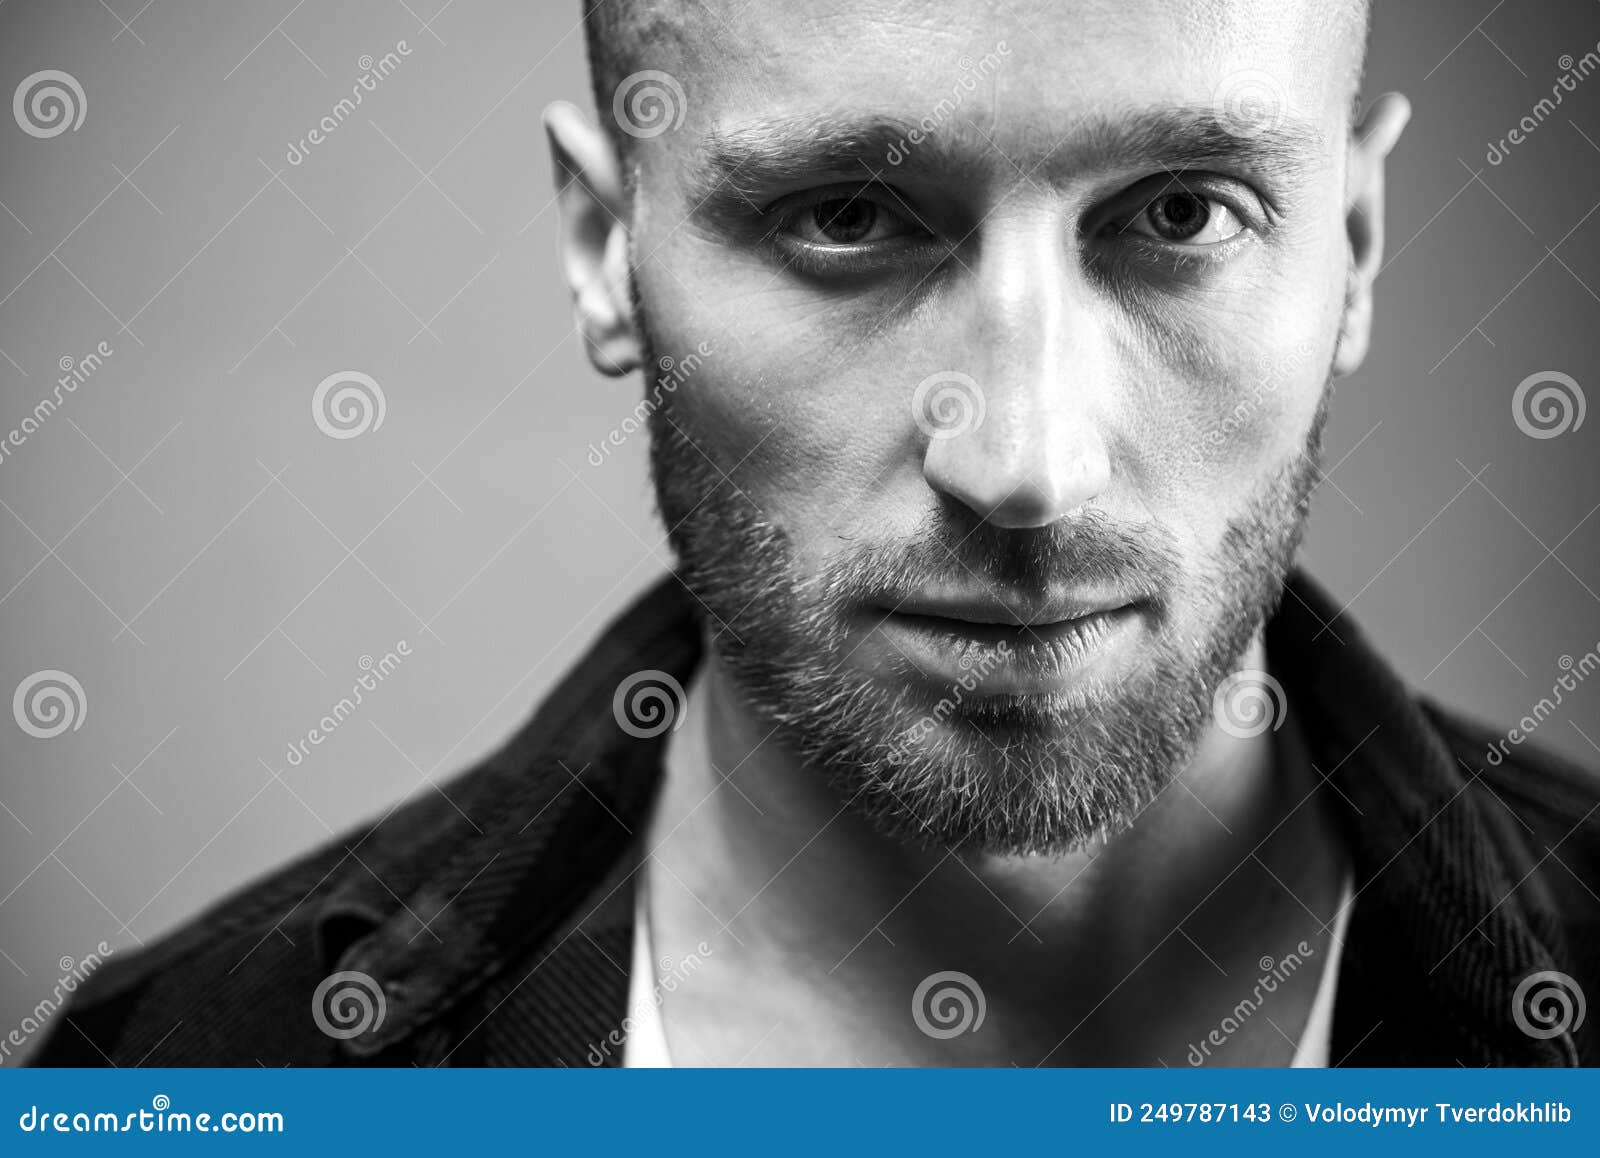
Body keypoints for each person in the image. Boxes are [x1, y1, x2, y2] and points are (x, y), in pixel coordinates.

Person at [33, 0, 1599, 1068]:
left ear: (1354, 242)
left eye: (1180, 214)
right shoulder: (188, 1070)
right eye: (849, 216)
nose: (1027, 463)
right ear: (605, 249)